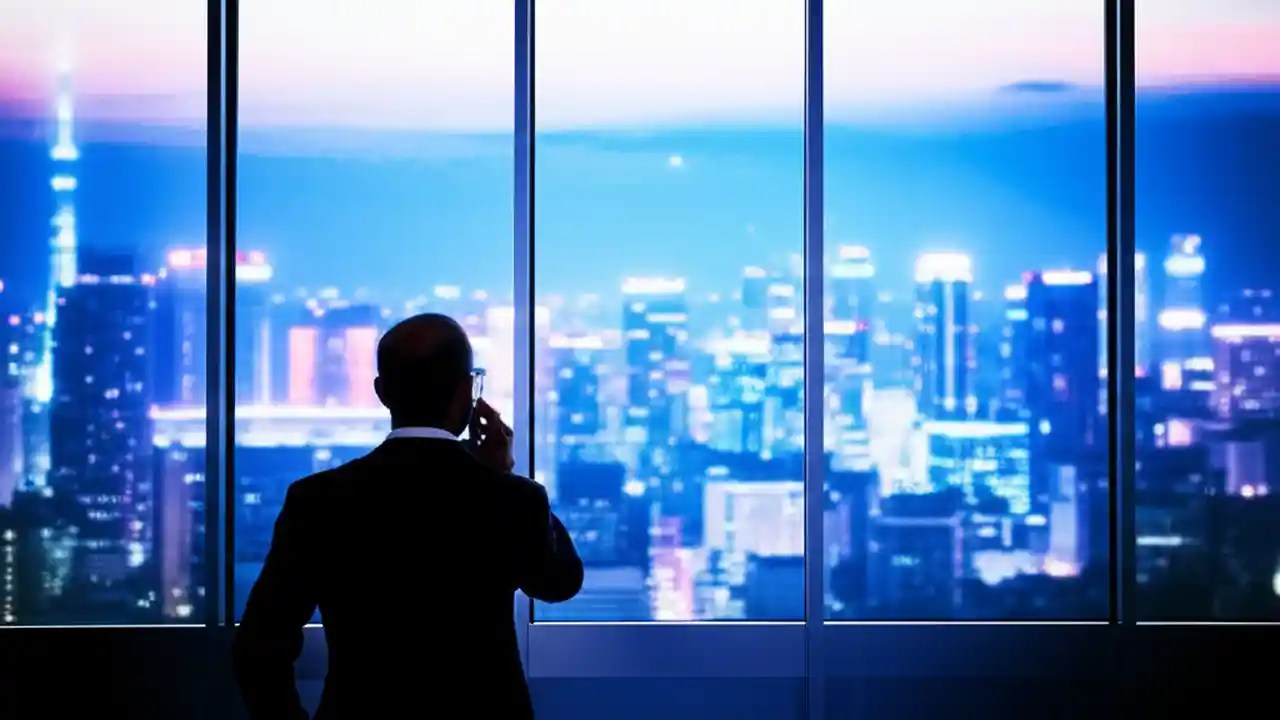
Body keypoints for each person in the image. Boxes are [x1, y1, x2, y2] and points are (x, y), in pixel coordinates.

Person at [233, 313, 583, 719]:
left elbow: (259, 646)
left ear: (382, 392)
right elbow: (560, 582)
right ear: (467, 390)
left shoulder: (318, 499)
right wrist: (504, 477)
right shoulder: (508, 498)